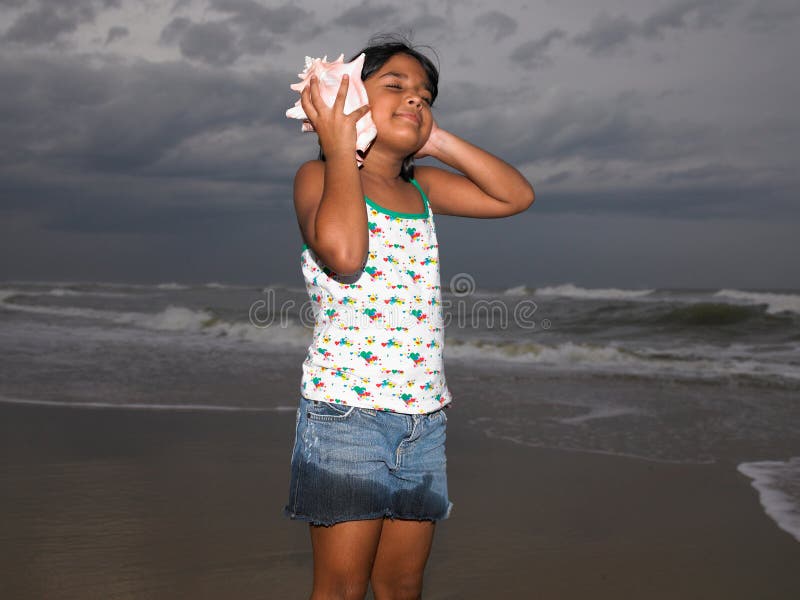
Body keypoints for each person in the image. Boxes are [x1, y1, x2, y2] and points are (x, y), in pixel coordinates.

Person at [283, 33, 535, 600]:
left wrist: (437, 140)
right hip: (347, 414)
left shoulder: (421, 189)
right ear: (348, 96)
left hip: (424, 418)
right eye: (394, 86)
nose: (415, 99)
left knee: (401, 584)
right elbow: (345, 255)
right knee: (343, 587)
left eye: (426, 95)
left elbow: (514, 196)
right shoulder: (317, 178)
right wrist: (342, 141)